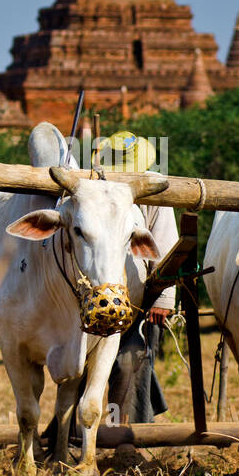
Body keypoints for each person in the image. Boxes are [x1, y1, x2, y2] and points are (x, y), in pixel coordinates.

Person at [92, 131, 177, 425]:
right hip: (90, 300)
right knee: (80, 369)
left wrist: (163, 298)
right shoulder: (91, 190)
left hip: (139, 302)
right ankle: (69, 433)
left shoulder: (155, 193)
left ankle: (128, 436)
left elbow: (164, 247)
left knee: (131, 362)